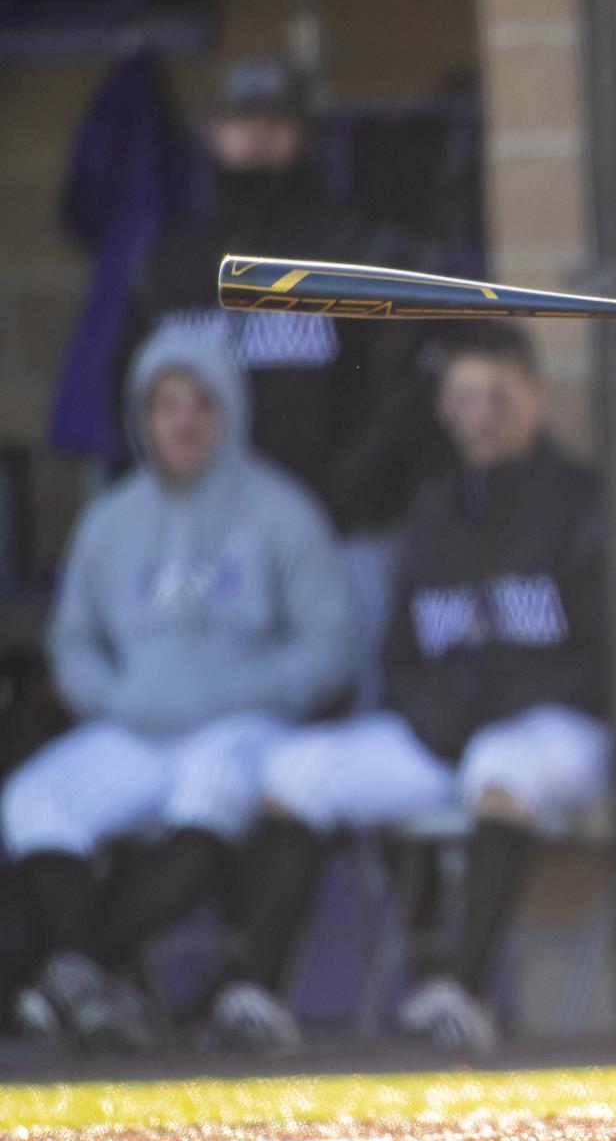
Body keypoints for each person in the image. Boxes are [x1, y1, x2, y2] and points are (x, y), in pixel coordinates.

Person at [207, 323, 609, 1054]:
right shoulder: (434, 511)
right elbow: (402, 656)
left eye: (497, 396)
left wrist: (488, 707)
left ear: (535, 397)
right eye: (463, 399)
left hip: (556, 729)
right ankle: (256, 994)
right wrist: (436, 713)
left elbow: (603, 655)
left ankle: (462, 990)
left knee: (502, 763)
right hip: (446, 732)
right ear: (443, 410)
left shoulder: (582, 501)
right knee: (296, 771)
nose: (480, 415)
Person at [3, 316, 354, 1050]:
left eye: (200, 403)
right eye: (166, 404)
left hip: (242, 724)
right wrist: (114, 699)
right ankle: (95, 971)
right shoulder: (110, 520)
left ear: (228, 410)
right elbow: (72, 642)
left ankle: (75, 967)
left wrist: (253, 689)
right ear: (143, 417)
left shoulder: (282, 511)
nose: (184, 420)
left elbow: (332, 644)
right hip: (134, 725)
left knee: (211, 791)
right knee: (34, 798)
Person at [124, 58, 450, 707]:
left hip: (341, 532)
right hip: (211, 545)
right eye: (240, 122)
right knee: (220, 724)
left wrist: (325, 499)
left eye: (274, 122)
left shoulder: (354, 246)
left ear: (303, 135)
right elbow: (129, 399)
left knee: (352, 717)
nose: (256, 138)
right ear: (212, 134)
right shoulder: (176, 260)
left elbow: (404, 397)